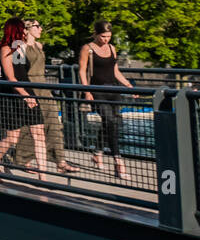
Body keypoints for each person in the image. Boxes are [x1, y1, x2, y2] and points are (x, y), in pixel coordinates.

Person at [10, 19, 77, 174]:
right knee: (30, 127)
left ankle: (60, 161)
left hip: (44, 88)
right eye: (37, 26)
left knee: (54, 122)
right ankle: (21, 159)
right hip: (30, 87)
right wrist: (24, 93)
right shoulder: (17, 46)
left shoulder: (39, 46)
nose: (40, 29)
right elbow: (17, 72)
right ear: (26, 30)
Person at [0, 17, 49, 181]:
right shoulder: (5, 49)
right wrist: (26, 96)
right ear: (15, 29)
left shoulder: (18, 46)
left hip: (26, 91)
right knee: (12, 138)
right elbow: (11, 77)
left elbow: (22, 73)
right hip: (12, 95)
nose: (25, 30)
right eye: (23, 28)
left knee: (39, 134)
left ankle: (43, 176)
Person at [78, 21, 132, 179]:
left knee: (110, 122)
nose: (106, 39)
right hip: (97, 91)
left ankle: (97, 153)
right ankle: (118, 161)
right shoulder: (87, 49)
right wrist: (86, 91)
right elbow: (82, 71)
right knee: (110, 120)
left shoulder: (112, 48)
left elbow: (115, 70)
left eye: (109, 36)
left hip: (113, 90)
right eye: (103, 36)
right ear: (95, 33)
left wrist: (128, 85)